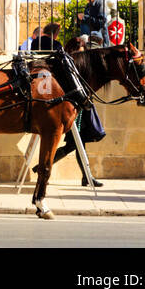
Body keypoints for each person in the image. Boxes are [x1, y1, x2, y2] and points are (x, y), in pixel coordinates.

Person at [53, 38, 104, 187]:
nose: (80, 56)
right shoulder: (66, 65)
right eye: (78, 53)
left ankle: (86, 177)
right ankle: (43, 167)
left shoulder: (79, 64)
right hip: (74, 111)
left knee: (77, 144)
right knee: (75, 144)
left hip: (82, 111)